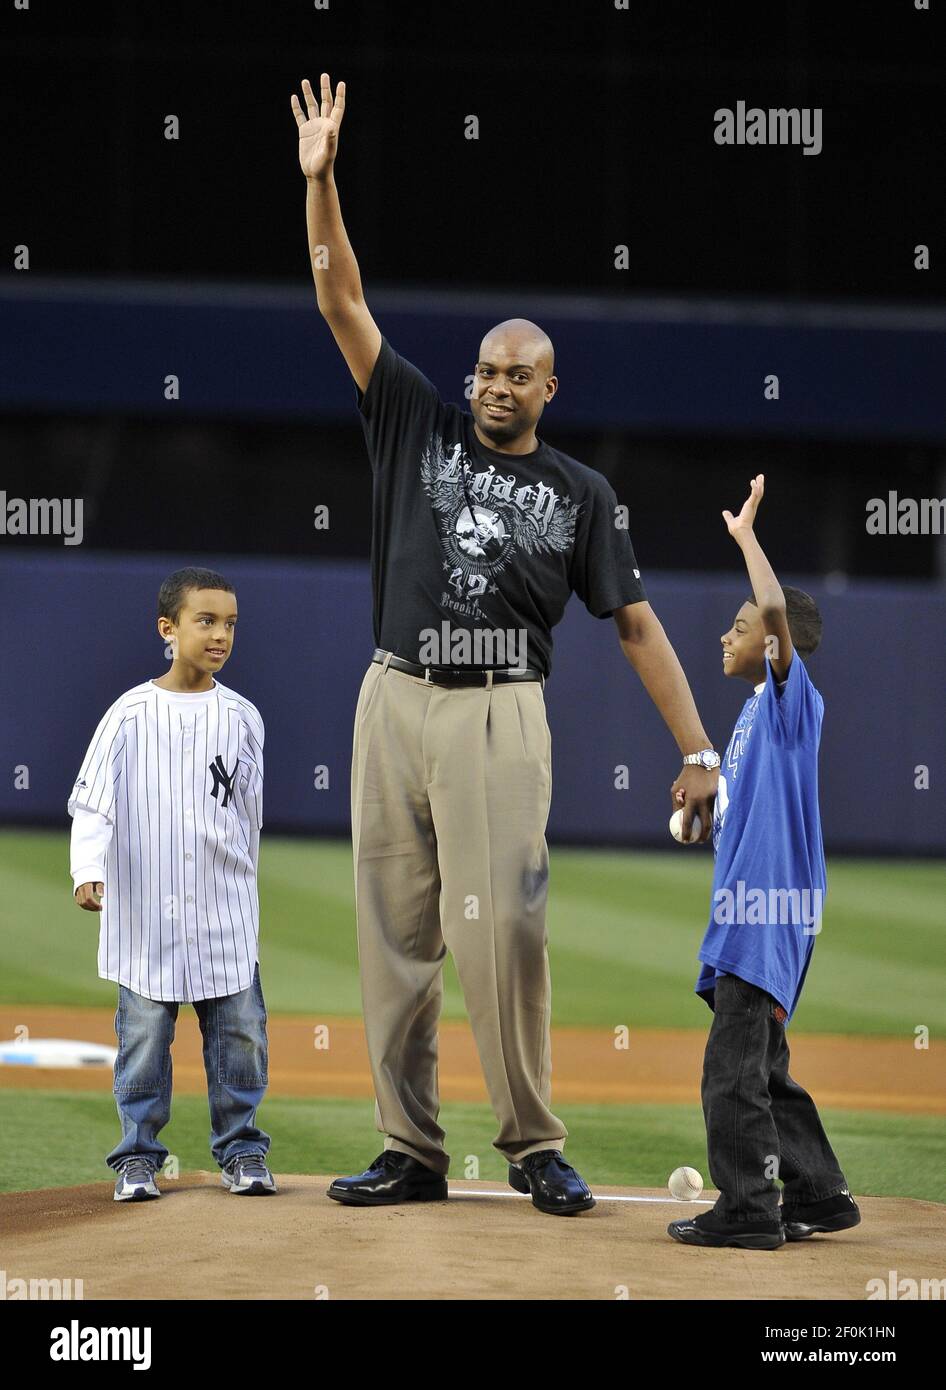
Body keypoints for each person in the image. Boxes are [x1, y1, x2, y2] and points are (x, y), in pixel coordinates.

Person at [292, 73, 720, 1215]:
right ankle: (410, 1148)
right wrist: (321, 181)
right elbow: (341, 301)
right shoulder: (413, 418)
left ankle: (533, 1145)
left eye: (512, 373)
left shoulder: (582, 492)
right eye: (483, 368)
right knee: (393, 935)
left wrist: (699, 749)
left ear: (548, 387)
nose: (490, 385)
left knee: (509, 932)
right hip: (392, 698)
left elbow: (632, 621)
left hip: (497, 711)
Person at [669, 476, 860, 1249]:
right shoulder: (753, 719)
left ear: (778, 645)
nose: (729, 633)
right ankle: (818, 1192)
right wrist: (706, 811)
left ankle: (749, 1208)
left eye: (740, 626)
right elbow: (748, 821)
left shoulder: (789, 701)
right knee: (764, 1065)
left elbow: (777, 612)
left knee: (730, 1073)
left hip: (765, 915)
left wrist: (747, 539)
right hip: (753, 910)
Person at [68, 568, 276, 1201]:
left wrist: (245, 888)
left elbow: (250, 817)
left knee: (240, 1039)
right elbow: (93, 804)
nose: (220, 635)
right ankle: (137, 1156)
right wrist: (88, 869)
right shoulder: (129, 714)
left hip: (223, 910)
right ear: (169, 628)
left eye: (230, 623)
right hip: (144, 914)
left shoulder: (242, 717)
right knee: (143, 1044)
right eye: (205, 621)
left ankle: (242, 1151)